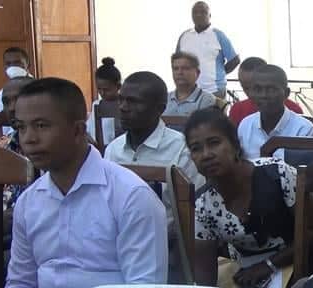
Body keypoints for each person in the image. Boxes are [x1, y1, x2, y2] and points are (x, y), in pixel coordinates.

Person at [0, 78, 167, 288]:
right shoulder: (30, 201)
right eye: (21, 127)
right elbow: (21, 281)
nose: (28, 138)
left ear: (77, 130)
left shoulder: (131, 196)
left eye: (41, 126)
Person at [185, 108, 313, 288]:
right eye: (196, 149)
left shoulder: (278, 174)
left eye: (214, 143)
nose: (206, 155)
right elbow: (205, 278)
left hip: (300, 268)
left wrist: (269, 265)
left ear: (235, 145)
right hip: (245, 279)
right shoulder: (201, 206)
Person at [104, 71, 204, 202]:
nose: (123, 107)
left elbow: (195, 208)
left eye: (133, 102)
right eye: (121, 99)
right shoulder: (113, 150)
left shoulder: (182, 150)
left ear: (160, 109)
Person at [236, 64, 313, 163]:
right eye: (258, 89)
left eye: (271, 89)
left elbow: (303, 174)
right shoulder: (245, 125)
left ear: (286, 93)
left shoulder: (303, 129)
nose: (263, 95)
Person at [176, 1, 240, 98]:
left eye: (203, 12)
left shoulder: (218, 35)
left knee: (214, 114)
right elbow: (177, 62)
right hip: (189, 91)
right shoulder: (184, 36)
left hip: (214, 91)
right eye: (195, 12)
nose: (198, 15)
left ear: (209, 15)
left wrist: (220, 73)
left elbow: (235, 60)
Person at [0, 76, 37, 214]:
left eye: (18, 99)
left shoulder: (59, 146)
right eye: (6, 102)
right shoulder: (1, 146)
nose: (12, 108)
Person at [228, 57, 303, 126]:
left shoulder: (294, 110)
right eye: (245, 88)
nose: (250, 93)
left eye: (257, 88)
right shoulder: (238, 109)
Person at [165, 51, 218, 117]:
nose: (180, 72)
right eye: (176, 69)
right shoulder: (164, 99)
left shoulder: (207, 100)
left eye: (185, 68)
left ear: (197, 73)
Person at [86, 57, 122, 147]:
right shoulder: (97, 105)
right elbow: (90, 130)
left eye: (106, 90)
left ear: (118, 86)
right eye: (99, 89)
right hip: (101, 149)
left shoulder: (125, 105)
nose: (102, 93)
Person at [0, 47, 32, 134]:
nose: (12, 67)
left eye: (17, 63)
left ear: (27, 65)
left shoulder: (40, 88)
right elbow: (4, 128)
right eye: (8, 64)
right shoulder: (2, 93)